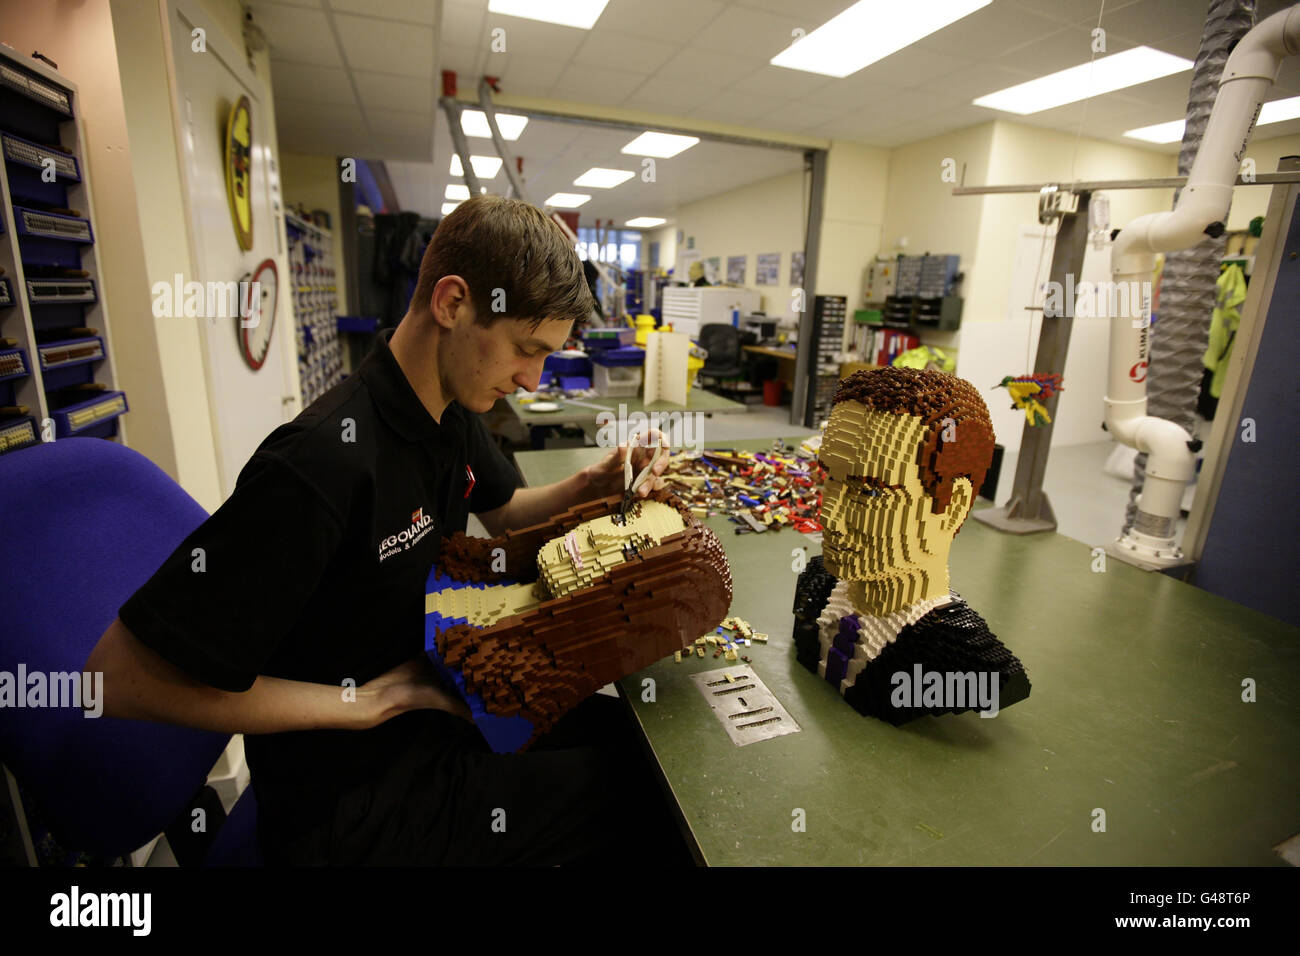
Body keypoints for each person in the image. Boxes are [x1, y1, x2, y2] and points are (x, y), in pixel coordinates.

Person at [84, 194, 687, 865]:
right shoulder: (320, 462)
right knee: (641, 802)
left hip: (431, 712)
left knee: (645, 744)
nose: (530, 379)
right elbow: (117, 679)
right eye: (526, 350)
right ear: (452, 303)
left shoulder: (449, 409)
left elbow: (507, 510)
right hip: (349, 802)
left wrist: (594, 483)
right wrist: (362, 702)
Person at [792, 367, 1031, 725]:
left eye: (869, 491)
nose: (829, 516)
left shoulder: (972, 667)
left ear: (951, 507)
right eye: (830, 477)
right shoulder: (815, 586)